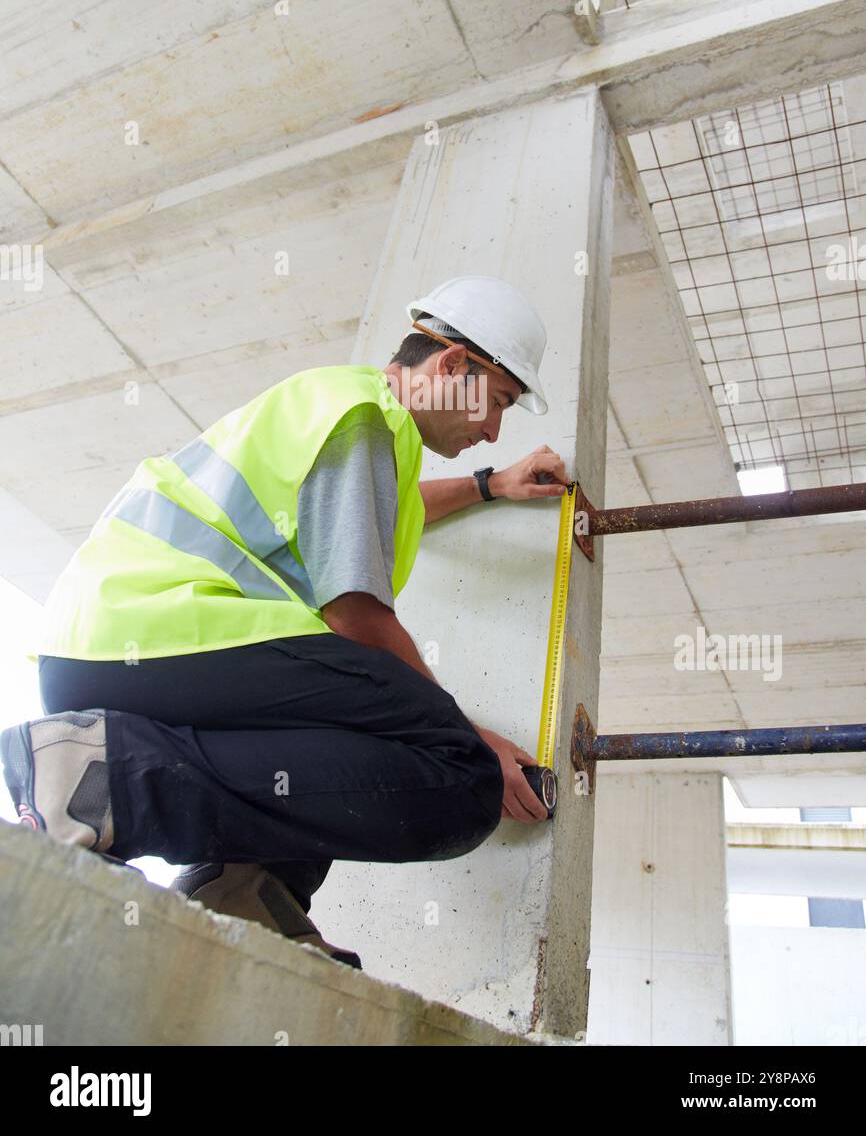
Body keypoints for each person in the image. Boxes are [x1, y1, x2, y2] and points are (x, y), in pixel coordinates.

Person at [1, 275, 571, 969]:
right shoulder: (360, 417)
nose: (492, 429)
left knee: (337, 727)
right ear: (453, 366)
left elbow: (398, 502)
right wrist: (470, 736)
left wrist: (490, 484)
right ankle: (110, 779)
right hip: (154, 633)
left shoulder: (350, 417)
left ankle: (242, 883)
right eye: (500, 404)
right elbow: (356, 615)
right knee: (459, 776)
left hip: (116, 649)